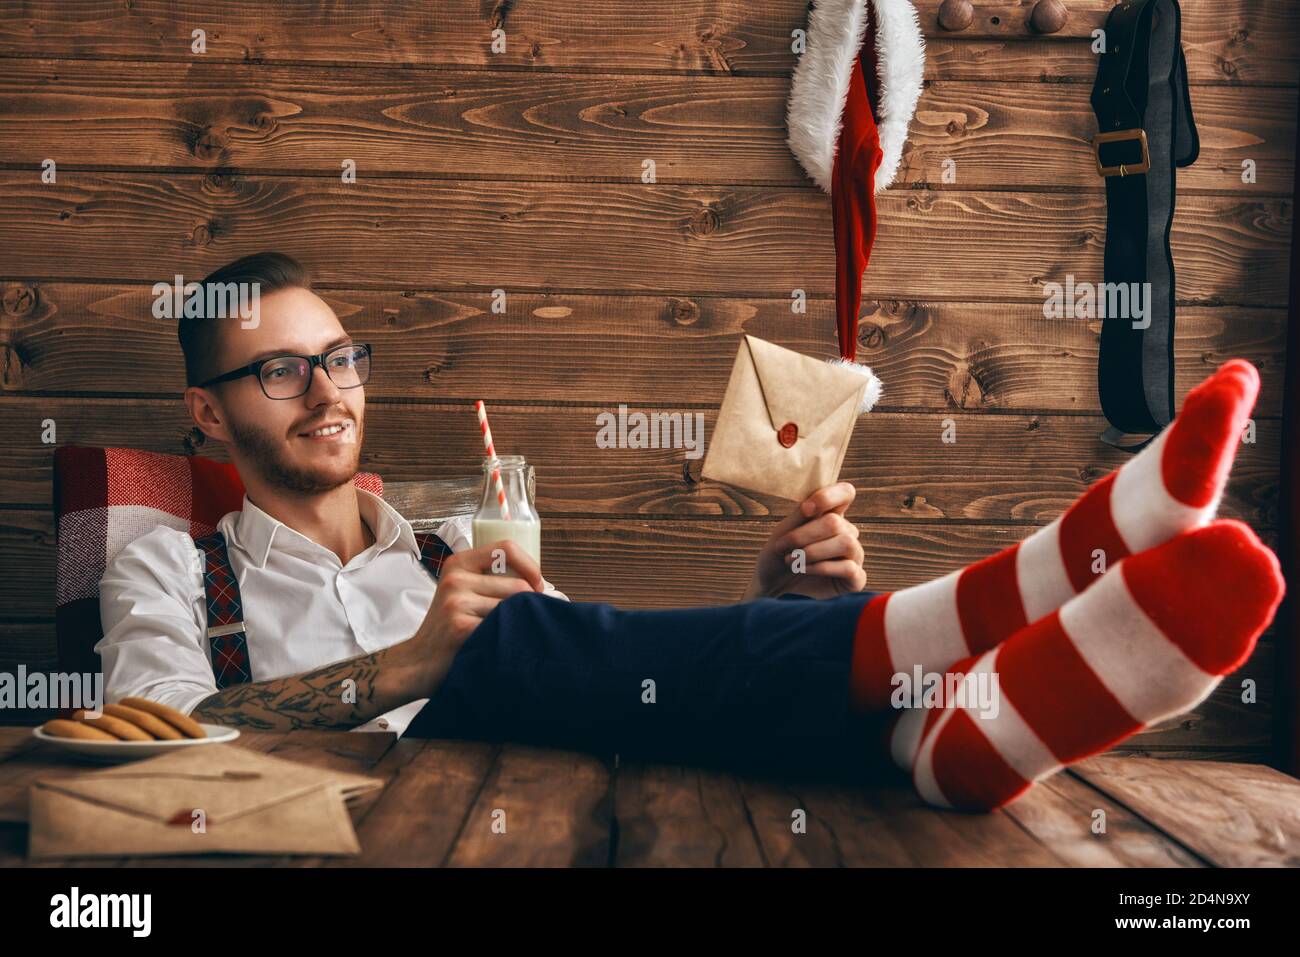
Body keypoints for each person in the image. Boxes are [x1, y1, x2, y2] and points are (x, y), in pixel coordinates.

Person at [98, 251, 1283, 812]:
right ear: (207, 413)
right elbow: (152, 741)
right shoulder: (164, 560)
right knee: (508, 649)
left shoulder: (446, 543)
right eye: (282, 371)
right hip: (337, 836)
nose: (328, 391)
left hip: (528, 817)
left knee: (554, 650)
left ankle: (946, 747)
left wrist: (766, 600)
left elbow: (627, 681)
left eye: (341, 358)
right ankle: (988, 612)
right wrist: (415, 666)